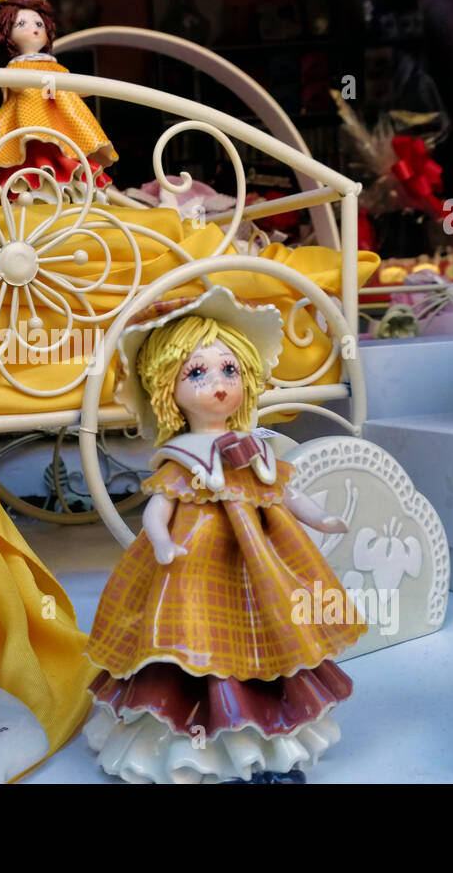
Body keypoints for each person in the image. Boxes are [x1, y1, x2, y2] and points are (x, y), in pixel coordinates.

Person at [84, 286, 365, 783]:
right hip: (193, 565)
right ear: (167, 389)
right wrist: (164, 542)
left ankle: (272, 747)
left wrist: (320, 517)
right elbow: (156, 510)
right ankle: (197, 749)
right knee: (190, 637)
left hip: (261, 565)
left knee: (273, 635)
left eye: (229, 370)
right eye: (197, 372)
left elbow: (285, 494)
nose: (217, 384)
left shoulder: (256, 448)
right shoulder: (182, 456)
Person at [0, 0, 117, 194]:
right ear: (6, 33)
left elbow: (73, 85)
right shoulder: (16, 66)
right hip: (27, 117)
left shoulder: (53, 65)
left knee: (66, 149)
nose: (33, 28)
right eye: (22, 24)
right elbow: (14, 84)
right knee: (31, 152)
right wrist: (28, 81)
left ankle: (66, 183)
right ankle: (33, 186)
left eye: (38, 23)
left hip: (59, 118)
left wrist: (91, 86)